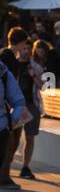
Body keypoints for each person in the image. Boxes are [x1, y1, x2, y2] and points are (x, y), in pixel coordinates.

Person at [1, 28, 39, 183]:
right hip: (10, 106)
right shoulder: (7, 56)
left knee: (13, 140)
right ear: (21, 42)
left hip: (13, 105)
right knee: (11, 141)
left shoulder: (10, 55)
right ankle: (4, 174)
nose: (26, 46)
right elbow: (9, 82)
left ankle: (5, 172)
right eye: (24, 42)